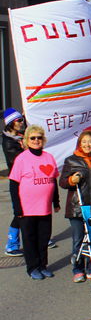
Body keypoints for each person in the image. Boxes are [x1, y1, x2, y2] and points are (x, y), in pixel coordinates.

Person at [10, 126, 60, 279]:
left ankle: (42, 265)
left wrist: (56, 201)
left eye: (39, 137)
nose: (36, 140)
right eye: (32, 138)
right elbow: (13, 185)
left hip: (44, 207)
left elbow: (53, 180)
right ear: (27, 140)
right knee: (30, 239)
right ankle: (32, 268)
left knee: (43, 238)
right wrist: (17, 208)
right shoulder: (21, 159)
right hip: (27, 209)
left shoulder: (49, 157)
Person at [59, 130, 91, 282]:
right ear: (80, 143)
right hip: (77, 207)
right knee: (79, 238)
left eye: (90, 142)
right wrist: (72, 180)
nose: (87, 145)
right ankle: (77, 268)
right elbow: (63, 182)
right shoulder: (71, 160)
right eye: (84, 142)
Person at [3, 108, 25, 257]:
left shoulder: (22, 136)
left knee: (33, 210)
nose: (22, 122)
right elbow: (18, 161)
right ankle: (11, 244)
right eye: (19, 120)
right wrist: (26, 149)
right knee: (20, 212)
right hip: (18, 181)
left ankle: (40, 237)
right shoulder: (8, 142)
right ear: (11, 123)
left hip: (29, 180)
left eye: (22, 119)